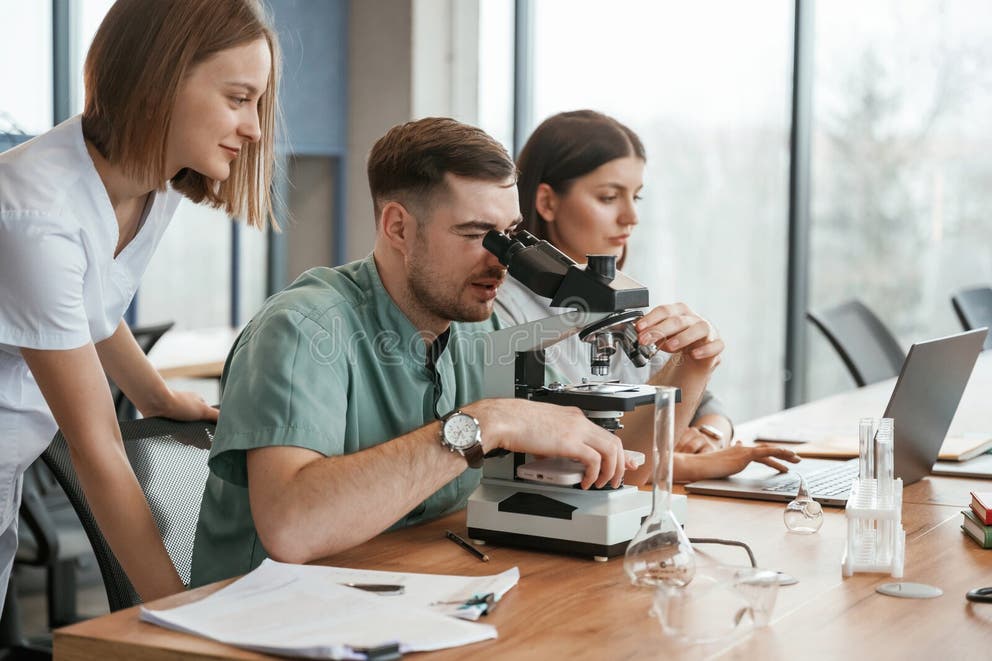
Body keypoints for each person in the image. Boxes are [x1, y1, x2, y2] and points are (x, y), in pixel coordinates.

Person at [190, 117, 797, 587]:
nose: (499, 261)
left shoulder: (477, 331)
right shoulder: (304, 328)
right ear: (398, 227)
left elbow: (623, 461)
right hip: (267, 622)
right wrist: (486, 421)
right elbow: (294, 527)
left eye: (509, 237)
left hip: (405, 590)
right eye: (477, 235)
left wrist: (691, 367)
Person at [0, 0, 279, 608]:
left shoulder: (157, 186)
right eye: (238, 99)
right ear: (158, 80)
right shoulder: (35, 215)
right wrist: (181, 614)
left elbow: (91, 307)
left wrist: (154, 396)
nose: (255, 127)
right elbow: (97, 446)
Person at [498, 110, 789, 483]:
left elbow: (705, 405)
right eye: (608, 197)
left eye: (636, 197)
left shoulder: (616, 296)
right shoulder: (505, 310)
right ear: (547, 202)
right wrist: (697, 465)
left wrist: (710, 436)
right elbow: (561, 456)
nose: (631, 217)